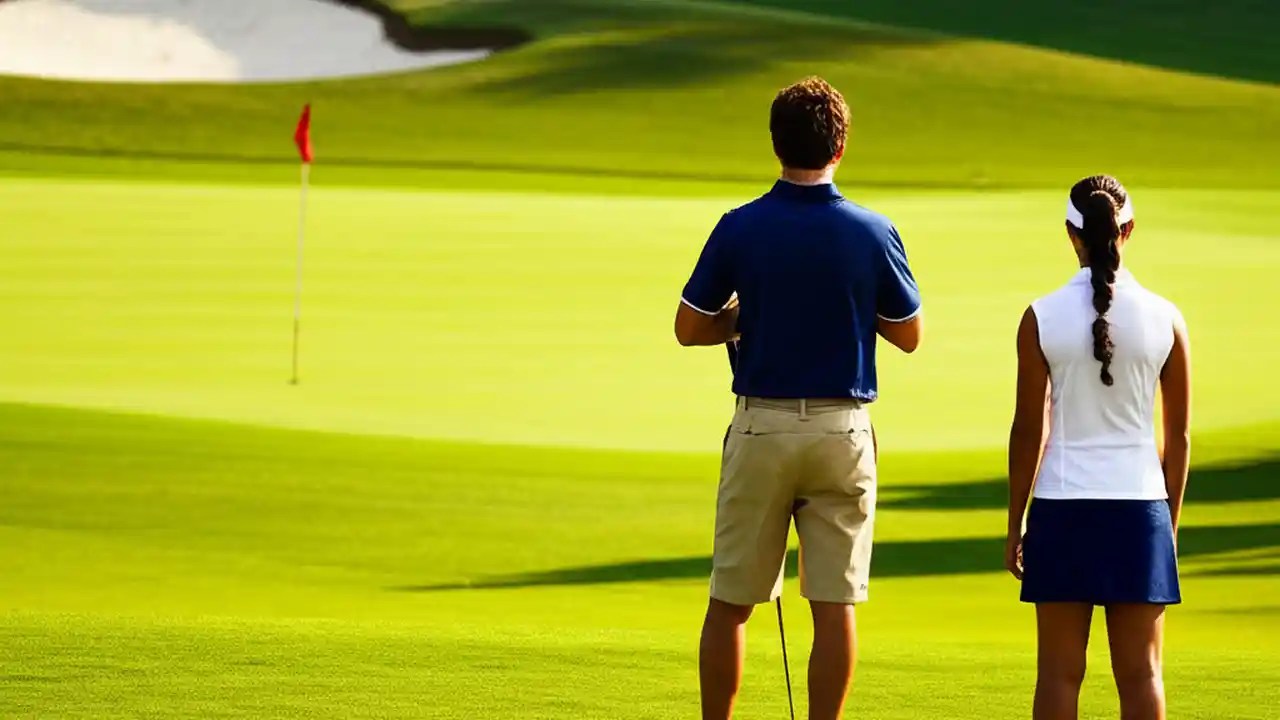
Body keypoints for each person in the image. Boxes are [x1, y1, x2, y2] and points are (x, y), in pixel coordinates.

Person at [674, 77, 924, 720]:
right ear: (840, 145)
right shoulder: (873, 231)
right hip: (842, 431)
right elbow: (908, 334)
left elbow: (690, 327)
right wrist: (848, 306)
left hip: (762, 426)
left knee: (731, 601)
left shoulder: (740, 227)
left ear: (775, 144)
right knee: (834, 605)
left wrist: (742, 318)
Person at [1005, 175, 1192, 720]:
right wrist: (1169, 529)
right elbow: (1177, 437)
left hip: (1063, 512)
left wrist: (1016, 522)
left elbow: (1026, 431)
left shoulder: (1040, 316)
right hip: (1140, 513)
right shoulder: (1167, 318)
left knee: (1059, 674)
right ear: (1128, 229)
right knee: (1142, 675)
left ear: (1072, 234)